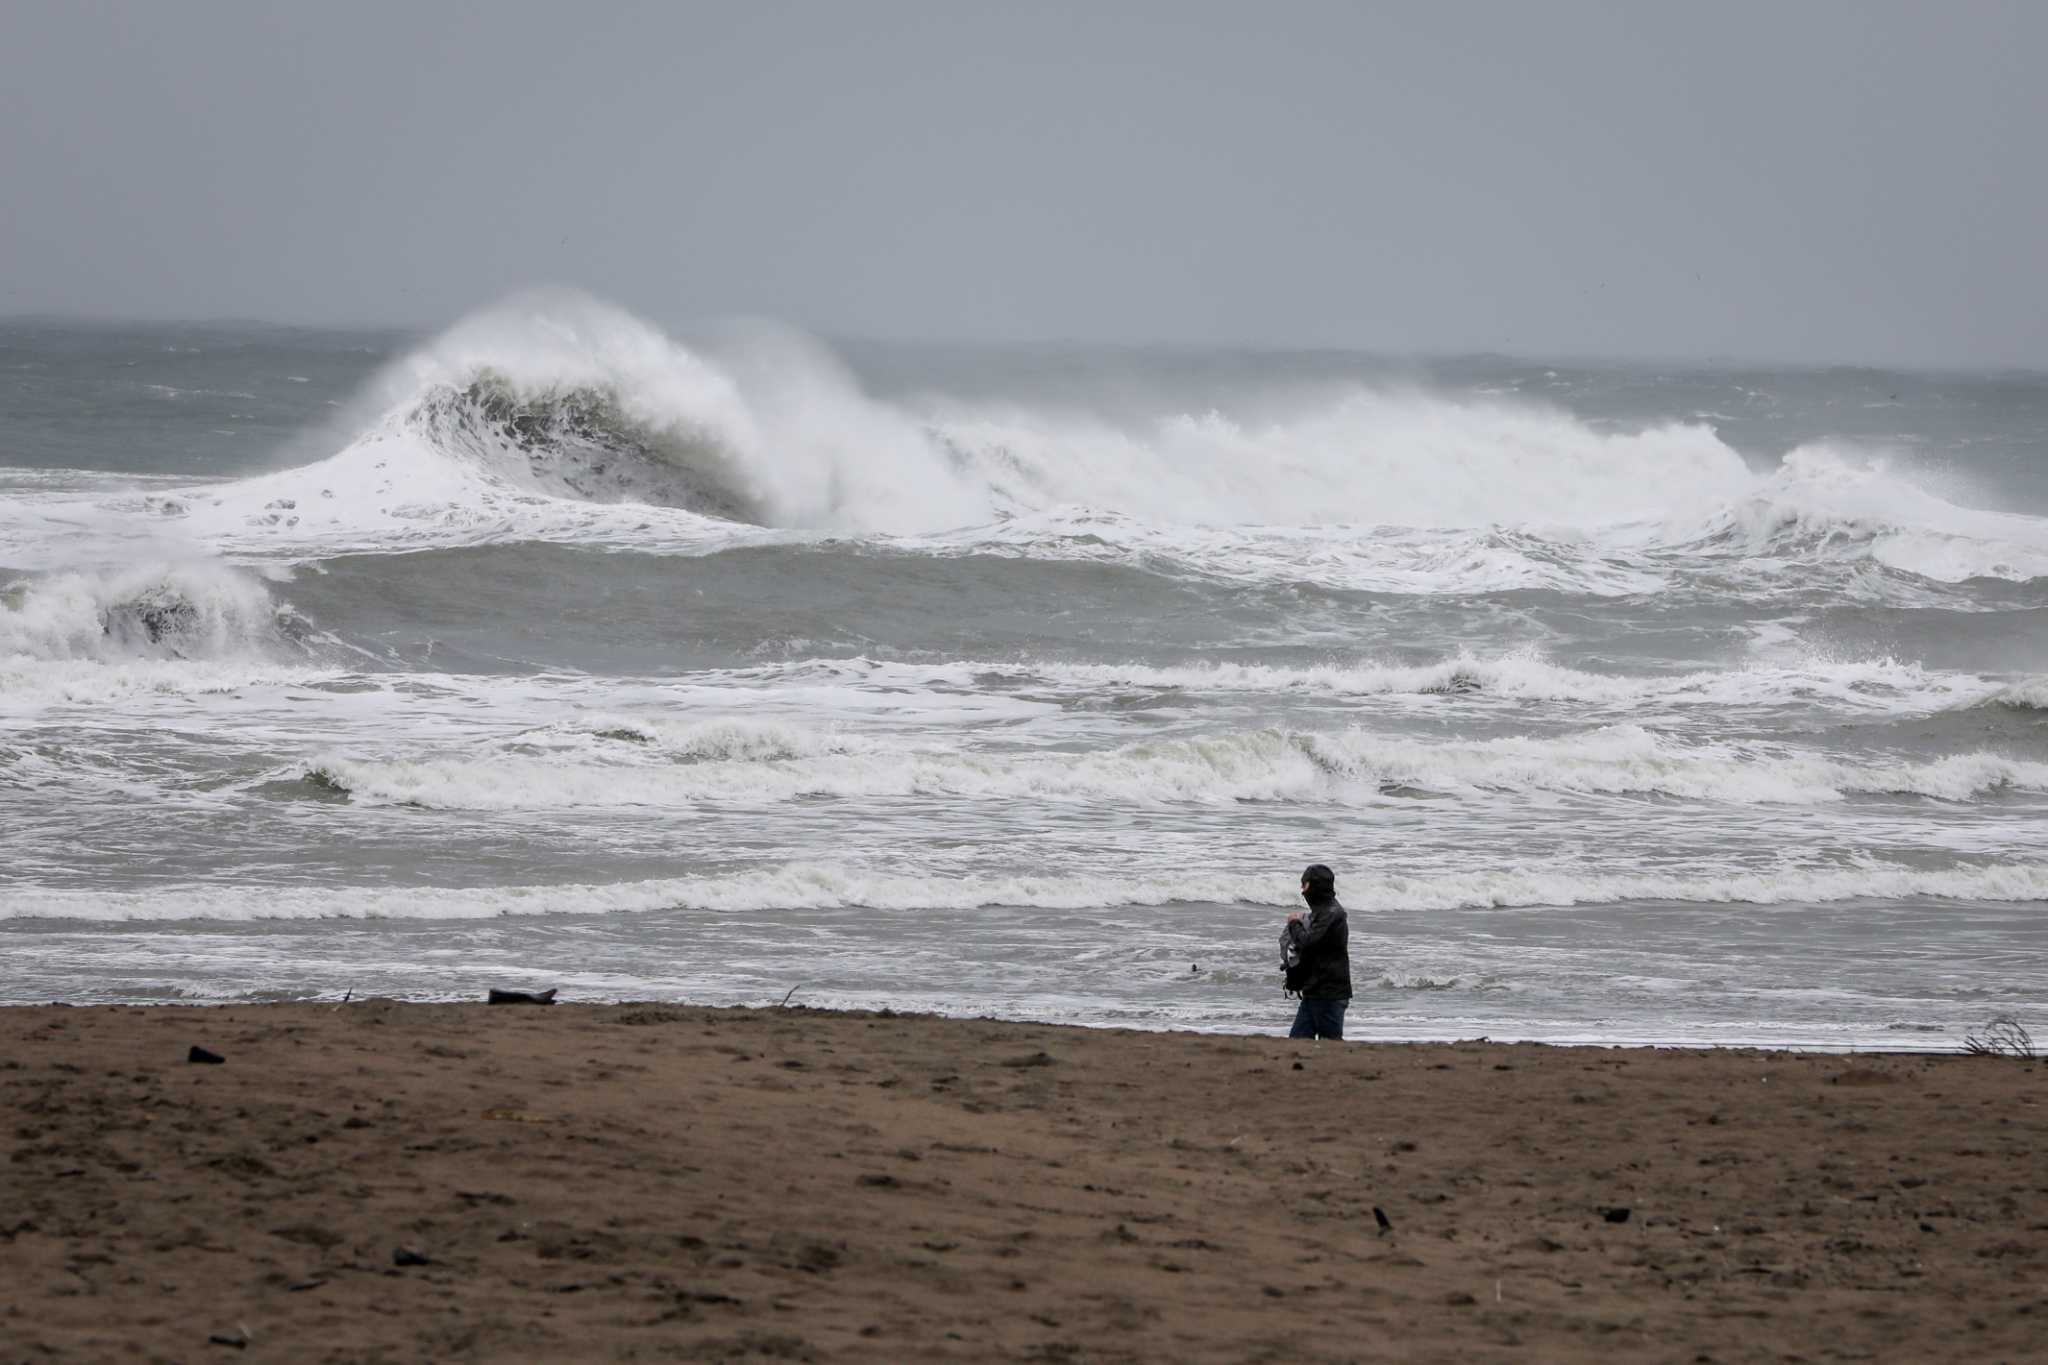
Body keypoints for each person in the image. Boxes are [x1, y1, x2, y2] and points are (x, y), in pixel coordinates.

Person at [1283, 863, 1351, 1039]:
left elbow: (1308, 943)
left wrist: (1293, 923)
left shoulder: (1332, 914)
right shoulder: (1322, 912)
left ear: (1314, 886)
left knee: (1330, 1047)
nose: (1302, 890)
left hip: (1329, 993)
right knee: (1297, 1042)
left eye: (1304, 885)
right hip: (1315, 991)